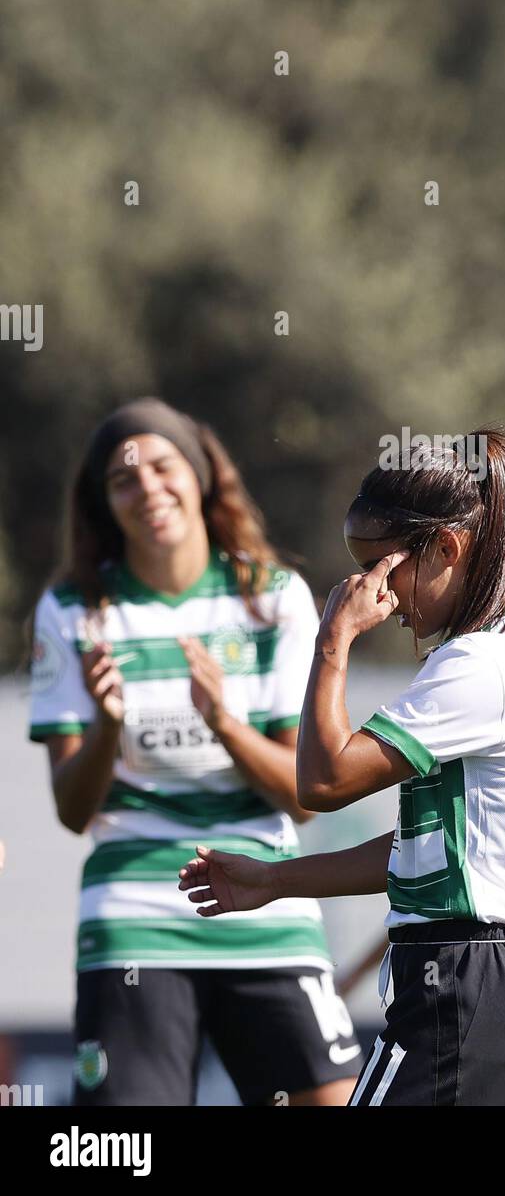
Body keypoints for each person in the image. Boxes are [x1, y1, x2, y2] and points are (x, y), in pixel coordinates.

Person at [179, 429, 505, 1106]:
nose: (372, 593)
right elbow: (430, 855)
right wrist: (279, 880)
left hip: (464, 989)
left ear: (447, 548)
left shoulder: (477, 667)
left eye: (379, 568)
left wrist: (331, 641)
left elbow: (322, 782)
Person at [29, 398, 360, 1106]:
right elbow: (70, 810)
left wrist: (226, 727)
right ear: (103, 501)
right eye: (122, 478)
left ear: (203, 474)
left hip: (267, 901)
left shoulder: (273, 600)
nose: (146, 487)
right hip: (133, 918)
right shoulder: (73, 609)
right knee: (122, 1154)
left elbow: (302, 796)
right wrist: (108, 728)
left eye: (161, 465)